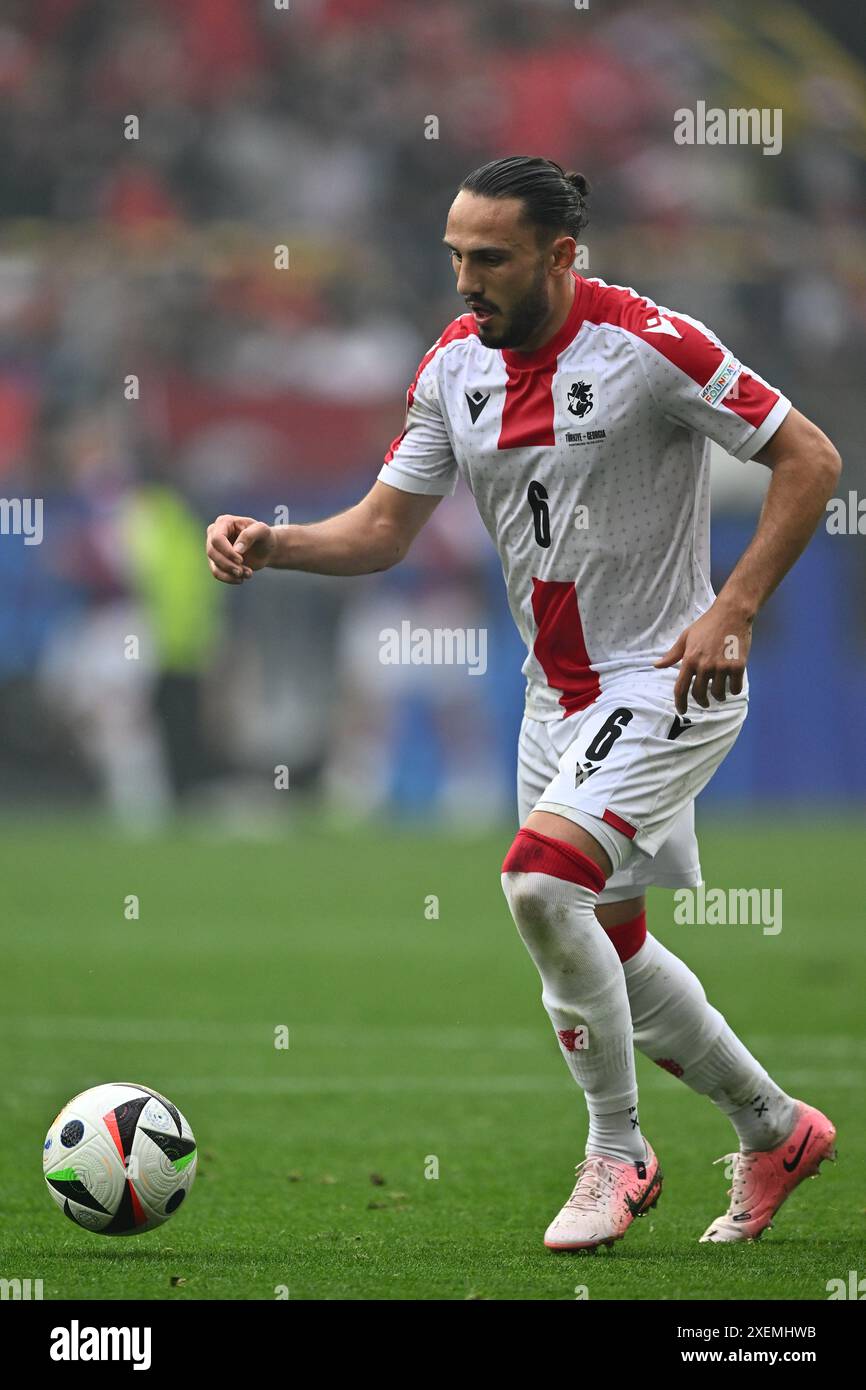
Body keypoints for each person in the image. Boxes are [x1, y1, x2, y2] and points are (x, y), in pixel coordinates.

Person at [206, 156, 840, 1252]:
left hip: (668, 677)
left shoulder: (652, 346)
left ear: (559, 255)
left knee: (537, 883)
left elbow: (810, 457)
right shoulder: (455, 364)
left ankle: (616, 1151)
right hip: (556, 697)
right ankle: (773, 1128)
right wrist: (277, 543)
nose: (464, 280)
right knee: (612, 944)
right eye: (454, 255)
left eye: (488, 258)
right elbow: (383, 527)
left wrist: (732, 607)